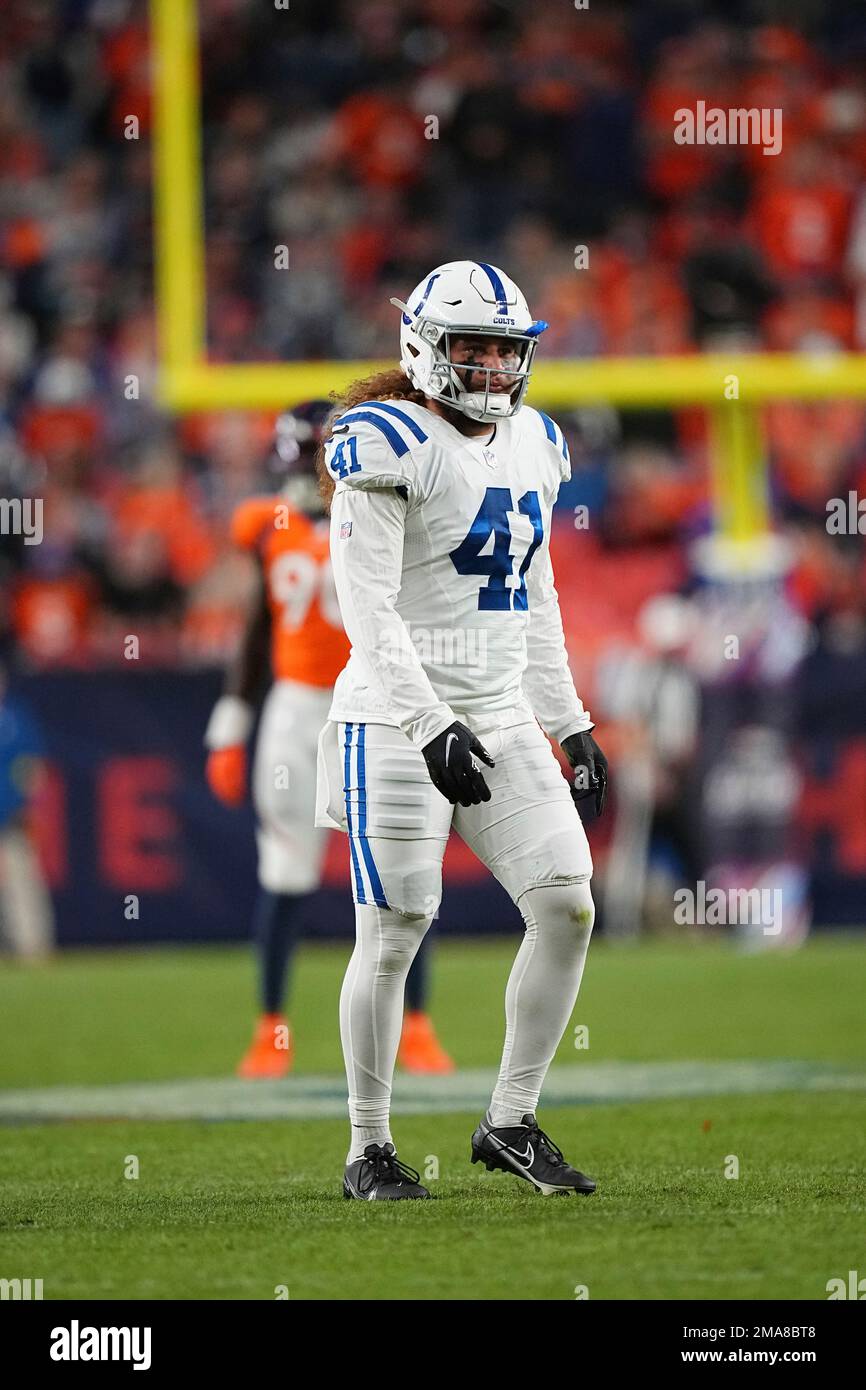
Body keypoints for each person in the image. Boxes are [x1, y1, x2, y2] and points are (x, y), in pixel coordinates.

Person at [315, 262, 608, 1199]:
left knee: (567, 902)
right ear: (425, 348)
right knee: (395, 927)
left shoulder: (534, 441)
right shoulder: (384, 439)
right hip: (396, 719)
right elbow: (365, 608)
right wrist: (427, 719)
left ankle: (510, 1122)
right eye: (472, 347)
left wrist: (569, 721)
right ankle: (369, 1148)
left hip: (499, 710)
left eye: (504, 349)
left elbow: (537, 594)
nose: (491, 366)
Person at [204, 402, 454, 1078]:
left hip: (374, 699)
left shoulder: (383, 512)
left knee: (400, 871)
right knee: (286, 875)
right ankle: (270, 1030)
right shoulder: (267, 528)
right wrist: (229, 720)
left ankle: (420, 1026)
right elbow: (257, 628)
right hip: (294, 711)